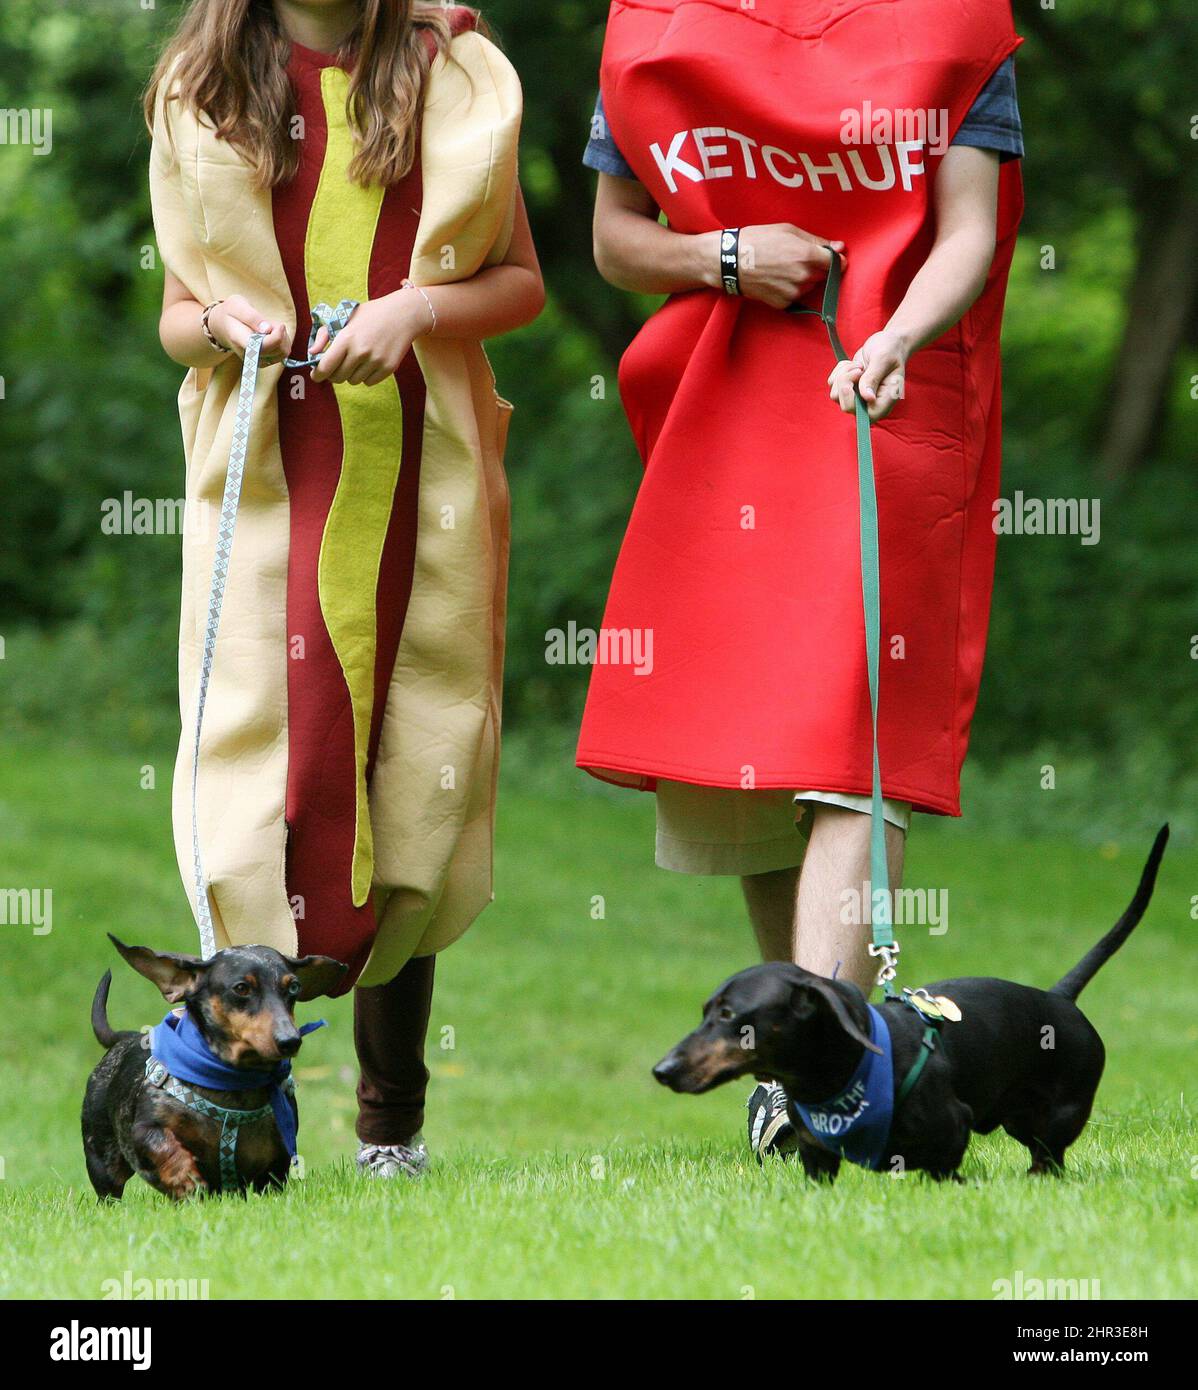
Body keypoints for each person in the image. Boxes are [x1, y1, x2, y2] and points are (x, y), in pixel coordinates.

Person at [576, 0, 1024, 1158]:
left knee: (852, 745)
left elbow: (966, 232)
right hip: (719, 417)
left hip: (887, 399)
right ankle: (819, 1062)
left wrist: (899, 334)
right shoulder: (657, 34)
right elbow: (616, 240)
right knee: (753, 757)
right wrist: (723, 254)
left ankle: (821, 1081)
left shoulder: (952, 29)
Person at [146, 0, 543, 1178]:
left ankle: (391, 1125)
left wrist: (415, 310)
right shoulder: (202, 80)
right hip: (268, 480)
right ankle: (229, 1114)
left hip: (420, 473)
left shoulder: (452, 69)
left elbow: (518, 283)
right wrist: (222, 322)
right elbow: (175, 316)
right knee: (269, 778)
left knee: (404, 776)